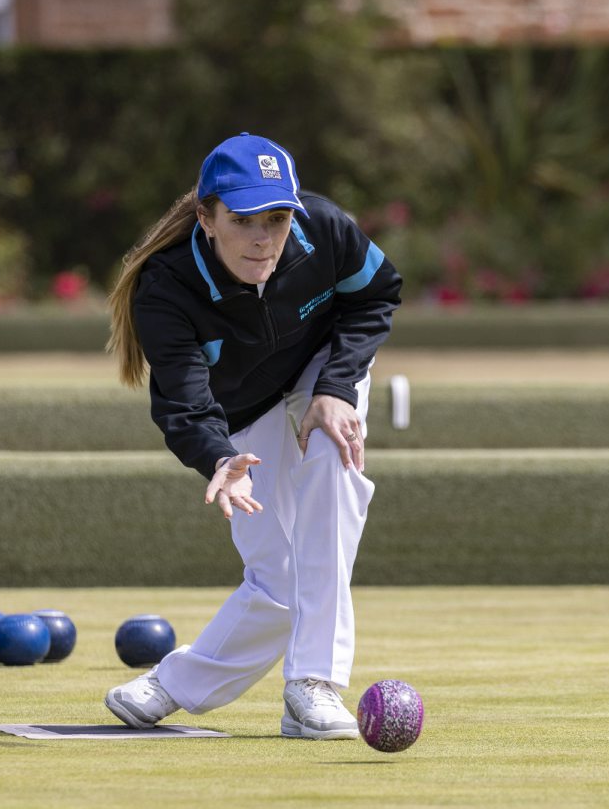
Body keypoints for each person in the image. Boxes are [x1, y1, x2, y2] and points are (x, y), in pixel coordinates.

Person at [103, 132, 401, 739]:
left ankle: (312, 685)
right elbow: (184, 400)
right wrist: (221, 456)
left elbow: (376, 295)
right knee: (279, 575)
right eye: (243, 221)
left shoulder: (326, 228)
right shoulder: (166, 287)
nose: (263, 237)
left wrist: (337, 387)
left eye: (277, 218)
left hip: (322, 369)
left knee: (333, 464)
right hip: (240, 410)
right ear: (207, 218)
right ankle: (176, 684)